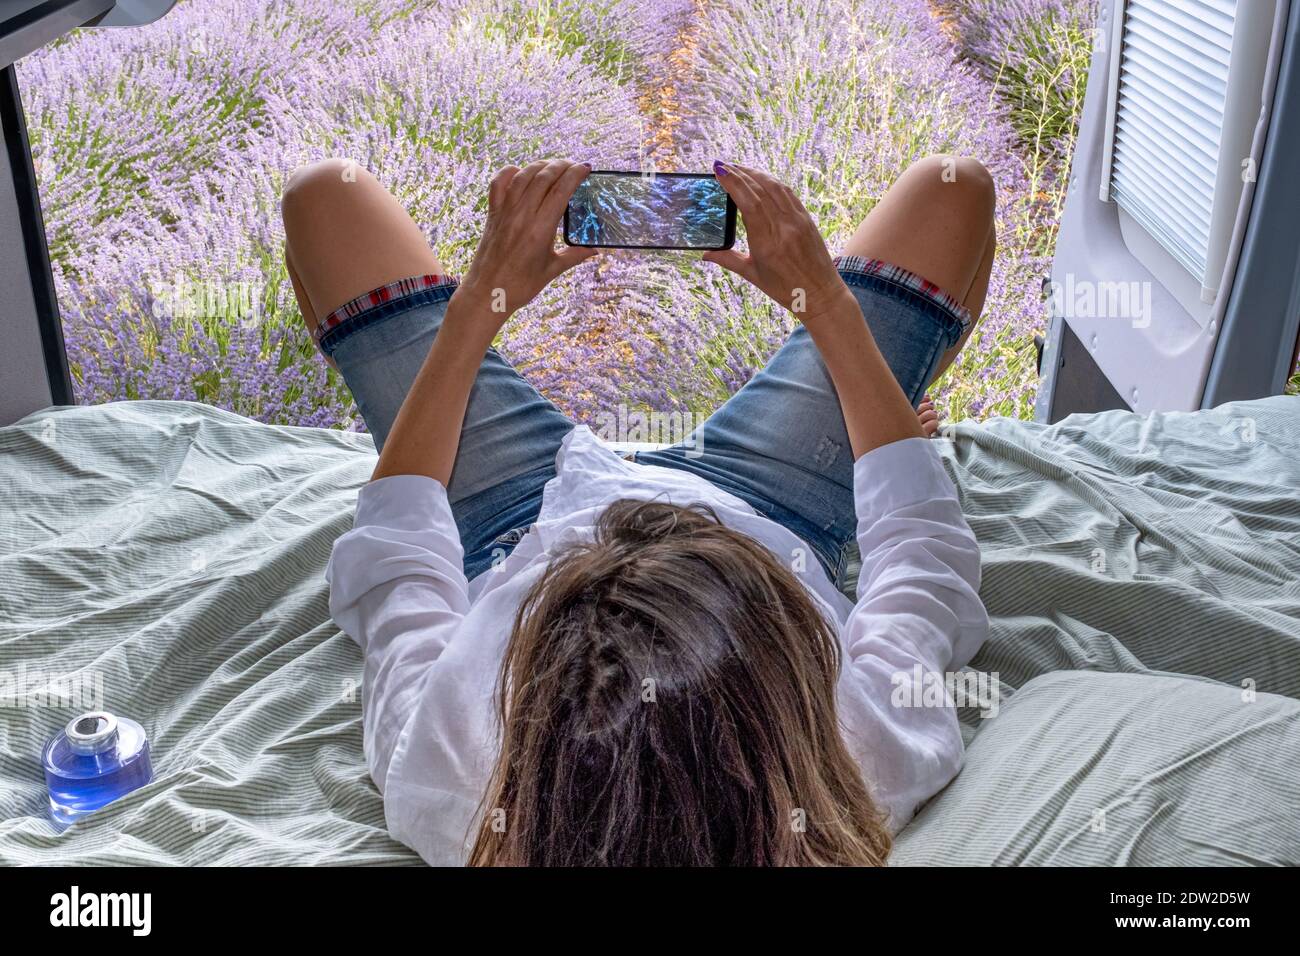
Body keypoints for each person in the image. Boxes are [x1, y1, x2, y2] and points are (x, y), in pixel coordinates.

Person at [281, 155, 994, 865]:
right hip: (769, 507)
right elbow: (921, 547)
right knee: (953, 189)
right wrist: (826, 305)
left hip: (514, 522)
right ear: (784, 650)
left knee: (323, 199)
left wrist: (480, 304)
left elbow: (399, 543)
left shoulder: (448, 775)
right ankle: (887, 399)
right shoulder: (855, 761)